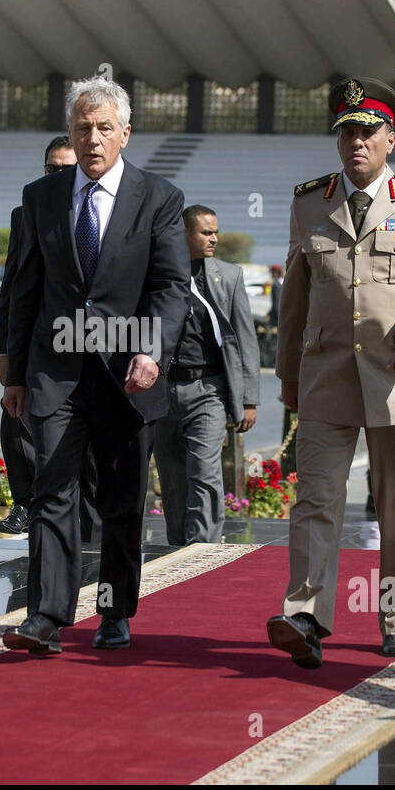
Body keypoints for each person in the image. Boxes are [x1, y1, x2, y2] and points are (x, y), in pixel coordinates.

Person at [270, 76, 395, 667]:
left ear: (390, 139)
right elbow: (294, 295)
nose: (356, 142)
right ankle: (306, 616)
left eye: (367, 132)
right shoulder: (310, 202)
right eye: (347, 132)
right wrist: (288, 376)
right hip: (325, 377)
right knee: (316, 499)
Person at [1, 76, 189, 655]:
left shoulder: (159, 198)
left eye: (105, 128)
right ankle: (46, 616)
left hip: (127, 374)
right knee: (52, 492)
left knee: (120, 499)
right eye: (83, 128)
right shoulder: (41, 197)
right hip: (54, 374)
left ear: (125, 134)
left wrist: (151, 351)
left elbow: (170, 286)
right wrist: (14, 374)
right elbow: (24, 287)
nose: (93, 138)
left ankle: (113, 610)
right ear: (70, 132)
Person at [153, 205, 259, 546]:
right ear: (184, 234)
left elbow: (245, 339)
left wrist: (249, 399)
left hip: (208, 390)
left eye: (215, 232)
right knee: (172, 477)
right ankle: (178, 547)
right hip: (163, 389)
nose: (214, 239)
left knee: (204, 472)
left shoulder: (229, 276)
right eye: (206, 233)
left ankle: (203, 549)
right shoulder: (158, 274)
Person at [0, 137, 78, 535]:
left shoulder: (100, 212)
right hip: (35, 337)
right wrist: (2, 349)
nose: (57, 175)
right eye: (51, 169)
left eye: (66, 169)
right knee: (15, 418)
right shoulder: (25, 213)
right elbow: (11, 283)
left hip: (85, 338)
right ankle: (25, 503)